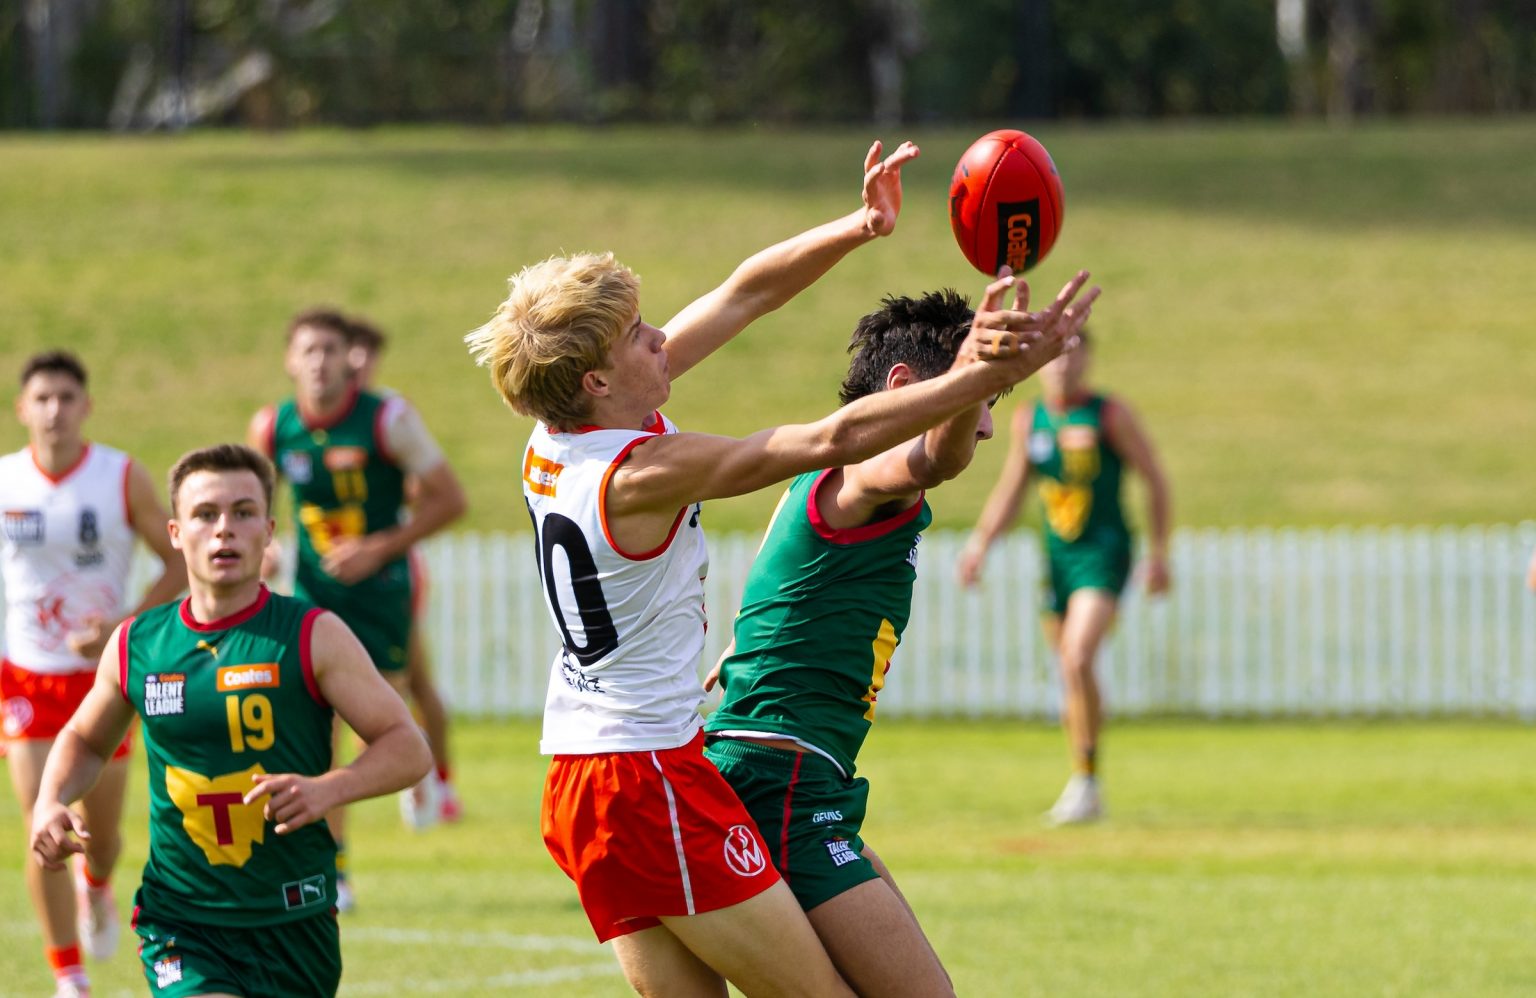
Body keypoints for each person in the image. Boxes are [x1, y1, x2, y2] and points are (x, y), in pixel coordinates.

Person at [465, 136, 1093, 996]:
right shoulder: (639, 474)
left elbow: (743, 294)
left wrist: (860, 226)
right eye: (640, 336)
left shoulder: (561, 434)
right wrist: (980, 375)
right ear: (596, 381)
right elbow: (827, 441)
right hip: (641, 776)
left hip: (588, 774)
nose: (662, 338)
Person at [701, 278, 1095, 996]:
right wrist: (980, 373)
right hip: (781, 782)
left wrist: (738, 648)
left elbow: (768, 594)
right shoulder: (864, 475)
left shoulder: (814, 480)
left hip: (781, 773)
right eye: (976, 401)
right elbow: (933, 458)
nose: (983, 427)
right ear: (903, 388)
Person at [29, 443, 432, 998]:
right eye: (205, 515)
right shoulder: (137, 645)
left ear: (268, 531)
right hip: (181, 919)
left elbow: (407, 746)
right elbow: (84, 739)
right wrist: (51, 799)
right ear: (174, 533)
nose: (225, 530)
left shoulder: (313, 634)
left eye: (243, 513)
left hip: (293, 917)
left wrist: (328, 790)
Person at [247, 309, 467, 907]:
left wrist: (378, 548)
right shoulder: (273, 427)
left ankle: (419, 771)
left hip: (382, 595)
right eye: (308, 350)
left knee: (385, 725)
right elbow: (249, 500)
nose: (319, 362)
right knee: (320, 733)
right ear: (291, 360)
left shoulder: (388, 420)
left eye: (330, 350)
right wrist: (262, 549)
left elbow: (451, 499)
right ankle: (336, 871)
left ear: (351, 359)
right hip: (313, 599)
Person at [1, 350, 187, 998]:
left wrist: (123, 627)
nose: (54, 410)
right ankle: (68, 974)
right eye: (42, 398)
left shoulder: (119, 477)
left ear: (86, 407)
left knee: (100, 836)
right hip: (25, 677)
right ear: (22, 408)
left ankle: (99, 886)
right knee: (43, 822)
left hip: (104, 678)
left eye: (66, 398)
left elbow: (176, 563)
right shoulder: (5, 482)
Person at [956, 327, 1172, 825]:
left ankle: (1087, 781)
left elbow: (1155, 478)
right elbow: (1013, 488)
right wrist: (981, 544)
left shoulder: (1108, 414)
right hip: (1057, 558)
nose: (1063, 366)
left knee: (1077, 657)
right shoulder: (1030, 419)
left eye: (1075, 356)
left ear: (1087, 360)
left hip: (1104, 554)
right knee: (1071, 672)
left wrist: (1159, 552)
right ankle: (1084, 770)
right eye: (1056, 357)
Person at [345, 316, 462, 826]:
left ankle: (435, 780)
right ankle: (420, 780)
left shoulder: (389, 416)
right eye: (351, 353)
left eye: (365, 356)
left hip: (393, 573)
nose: (356, 365)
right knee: (387, 683)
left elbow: (427, 487)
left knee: (415, 680)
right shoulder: (317, 422)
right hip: (342, 576)